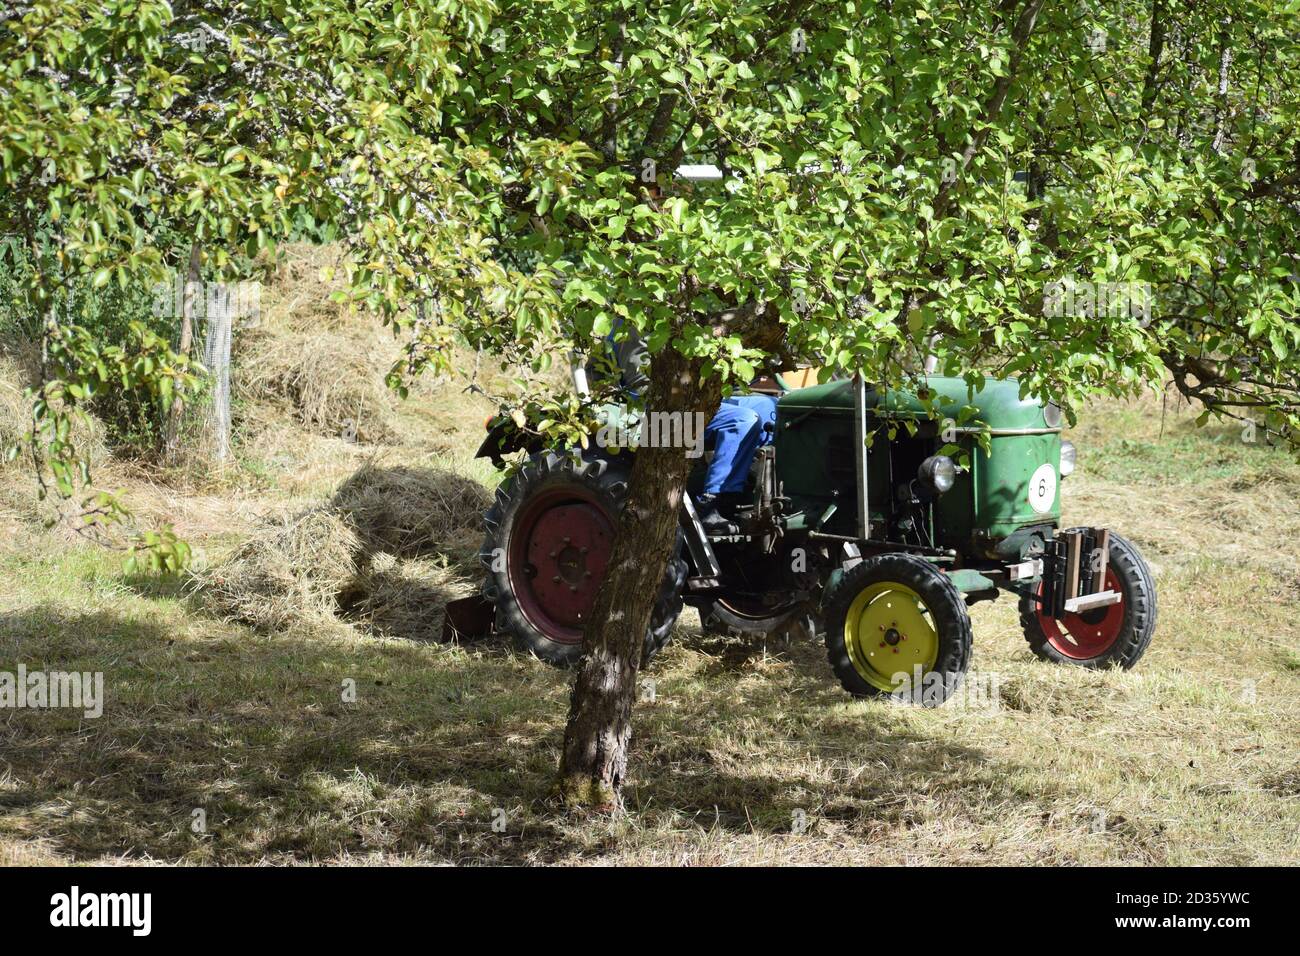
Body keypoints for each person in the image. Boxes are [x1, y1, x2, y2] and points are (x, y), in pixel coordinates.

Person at [587, 323, 776, 533]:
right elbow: (644, 386)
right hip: (655, 411)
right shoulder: (634, 323)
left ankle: (755, 489)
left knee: (771, 407)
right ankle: (714, 502)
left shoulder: (683, 312)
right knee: (742, 420)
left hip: (688, 395)